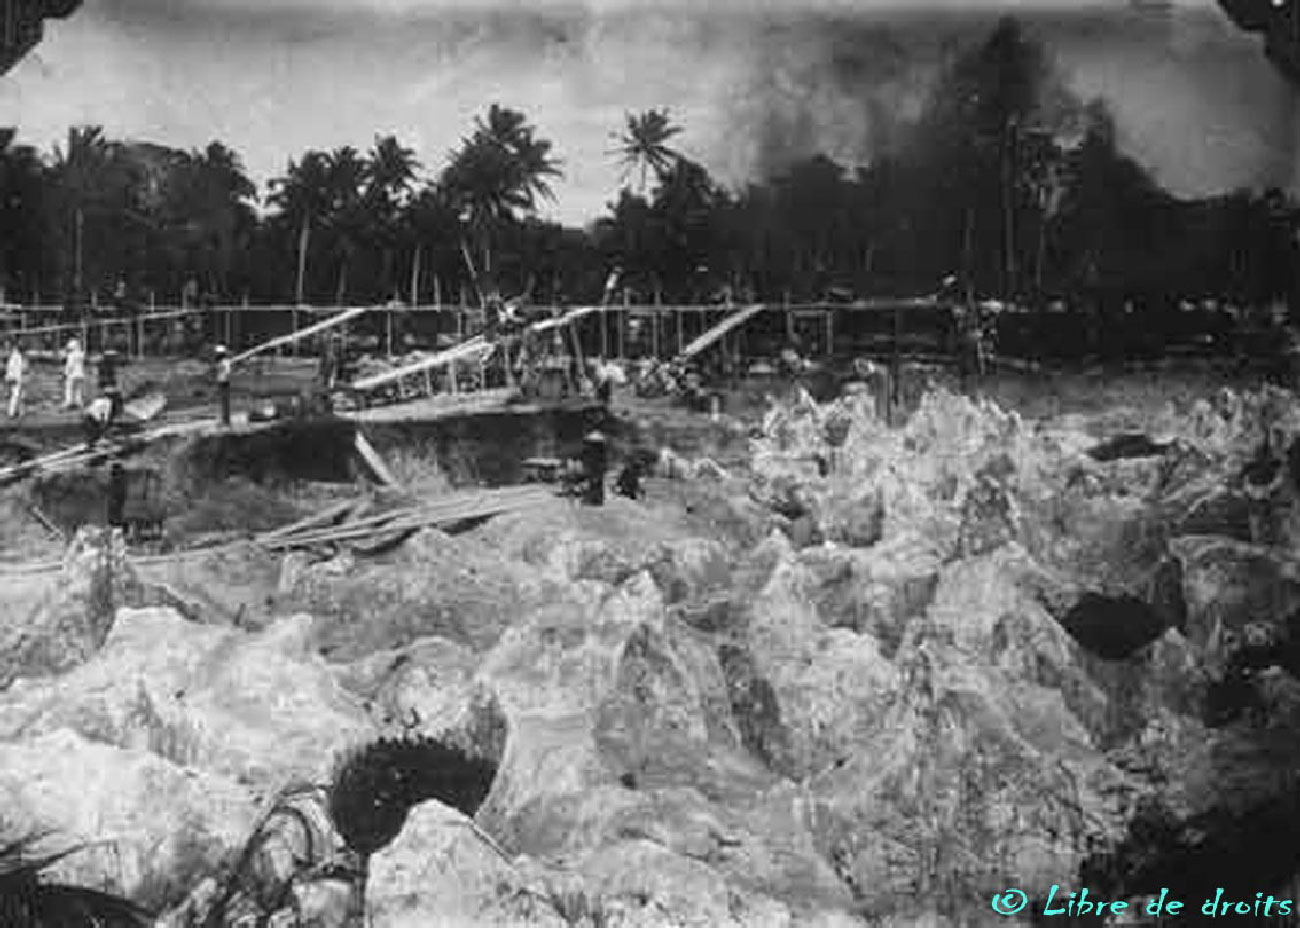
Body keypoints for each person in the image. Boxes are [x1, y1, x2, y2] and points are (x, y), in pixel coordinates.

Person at [581, 429, 608, 507]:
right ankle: (595, 500)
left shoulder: (598, 451)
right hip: (595, 467)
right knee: (594, 483)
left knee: (596, 483)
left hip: (596, 467)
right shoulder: (597, 450)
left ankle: (596, 500)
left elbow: (602, 460)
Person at [63, 338, 87, 409]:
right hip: (80, 374)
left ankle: (68, 401)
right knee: (78, 389)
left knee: (69, 388)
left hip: (72, 374)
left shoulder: (71, 355)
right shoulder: (81, 355)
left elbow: (70, 365)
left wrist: (65, 373)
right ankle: (79, 402)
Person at [5, 341, 25, 418]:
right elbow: (12, 368)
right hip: (15, 378)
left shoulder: (15, 356)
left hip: (16, 377)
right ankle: (12, 412)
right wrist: (12, 377)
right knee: (15, 395)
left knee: (16, 395)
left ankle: (15, 411)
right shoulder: (16, 356)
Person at [214, 345, 233, 426]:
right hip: (221, 381)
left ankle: (226, 420)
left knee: (225, 402)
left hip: (224, 382)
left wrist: (221, 369)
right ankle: (224, 419)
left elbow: (227, 371)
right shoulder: (220, 361)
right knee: (222, 402)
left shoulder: (225, 361)